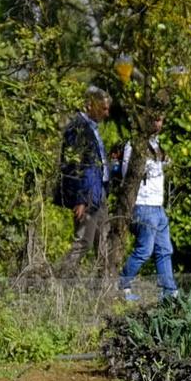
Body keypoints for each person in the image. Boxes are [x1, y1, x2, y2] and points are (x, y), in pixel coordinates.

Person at [116, 108, 177, 302]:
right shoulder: (135, 145)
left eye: (161, 120)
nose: (158, 125)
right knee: (144, 251)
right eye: (155, 120)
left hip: (157, 206)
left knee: (165, 250)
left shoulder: (157, 146)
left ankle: (169, 292)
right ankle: (120, 285)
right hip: (143, 205)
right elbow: (129, 175)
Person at [58, 86, 115, 272]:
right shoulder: (78, 128)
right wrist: (81, 198)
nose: (107, 114)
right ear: (90, 105)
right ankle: (57, 279)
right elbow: (75, 166)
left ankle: (106, 291)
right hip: (88, 195)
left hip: (99, 193)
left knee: (104, 245)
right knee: (83, 242)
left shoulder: (92, 128)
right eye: (103, 108)